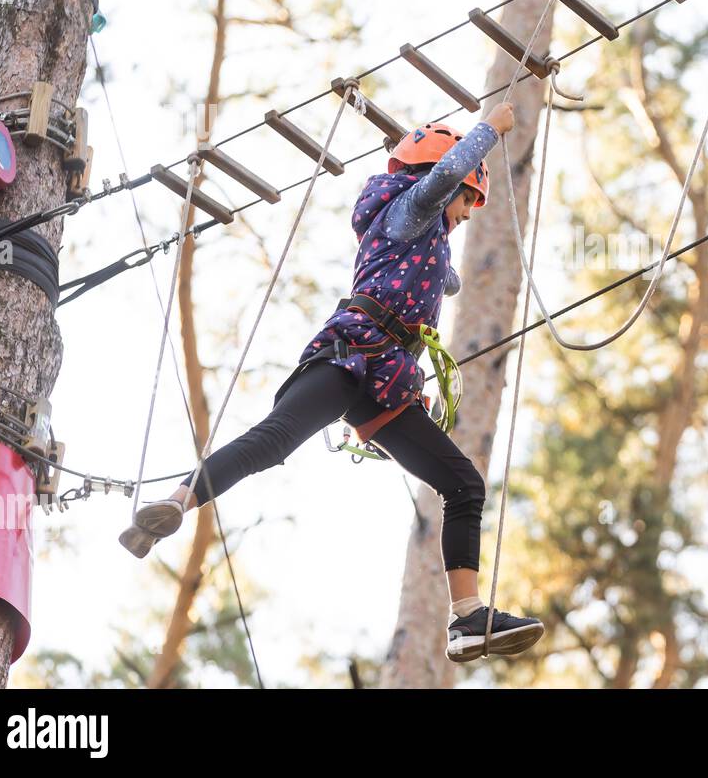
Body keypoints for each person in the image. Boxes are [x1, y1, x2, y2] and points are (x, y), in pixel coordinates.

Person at [118, 101, 543, 663]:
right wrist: (491, 128)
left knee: (463, 484)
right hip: (349, 358)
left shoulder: (421, 233)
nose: (467, 213)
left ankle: (466, 619)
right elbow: (439, 181)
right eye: (468, 199)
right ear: (448, 181)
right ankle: (174, 504)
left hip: (388, 379)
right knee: (273, 440)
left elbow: (445, 273)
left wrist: (447, 269)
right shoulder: (410, 208)